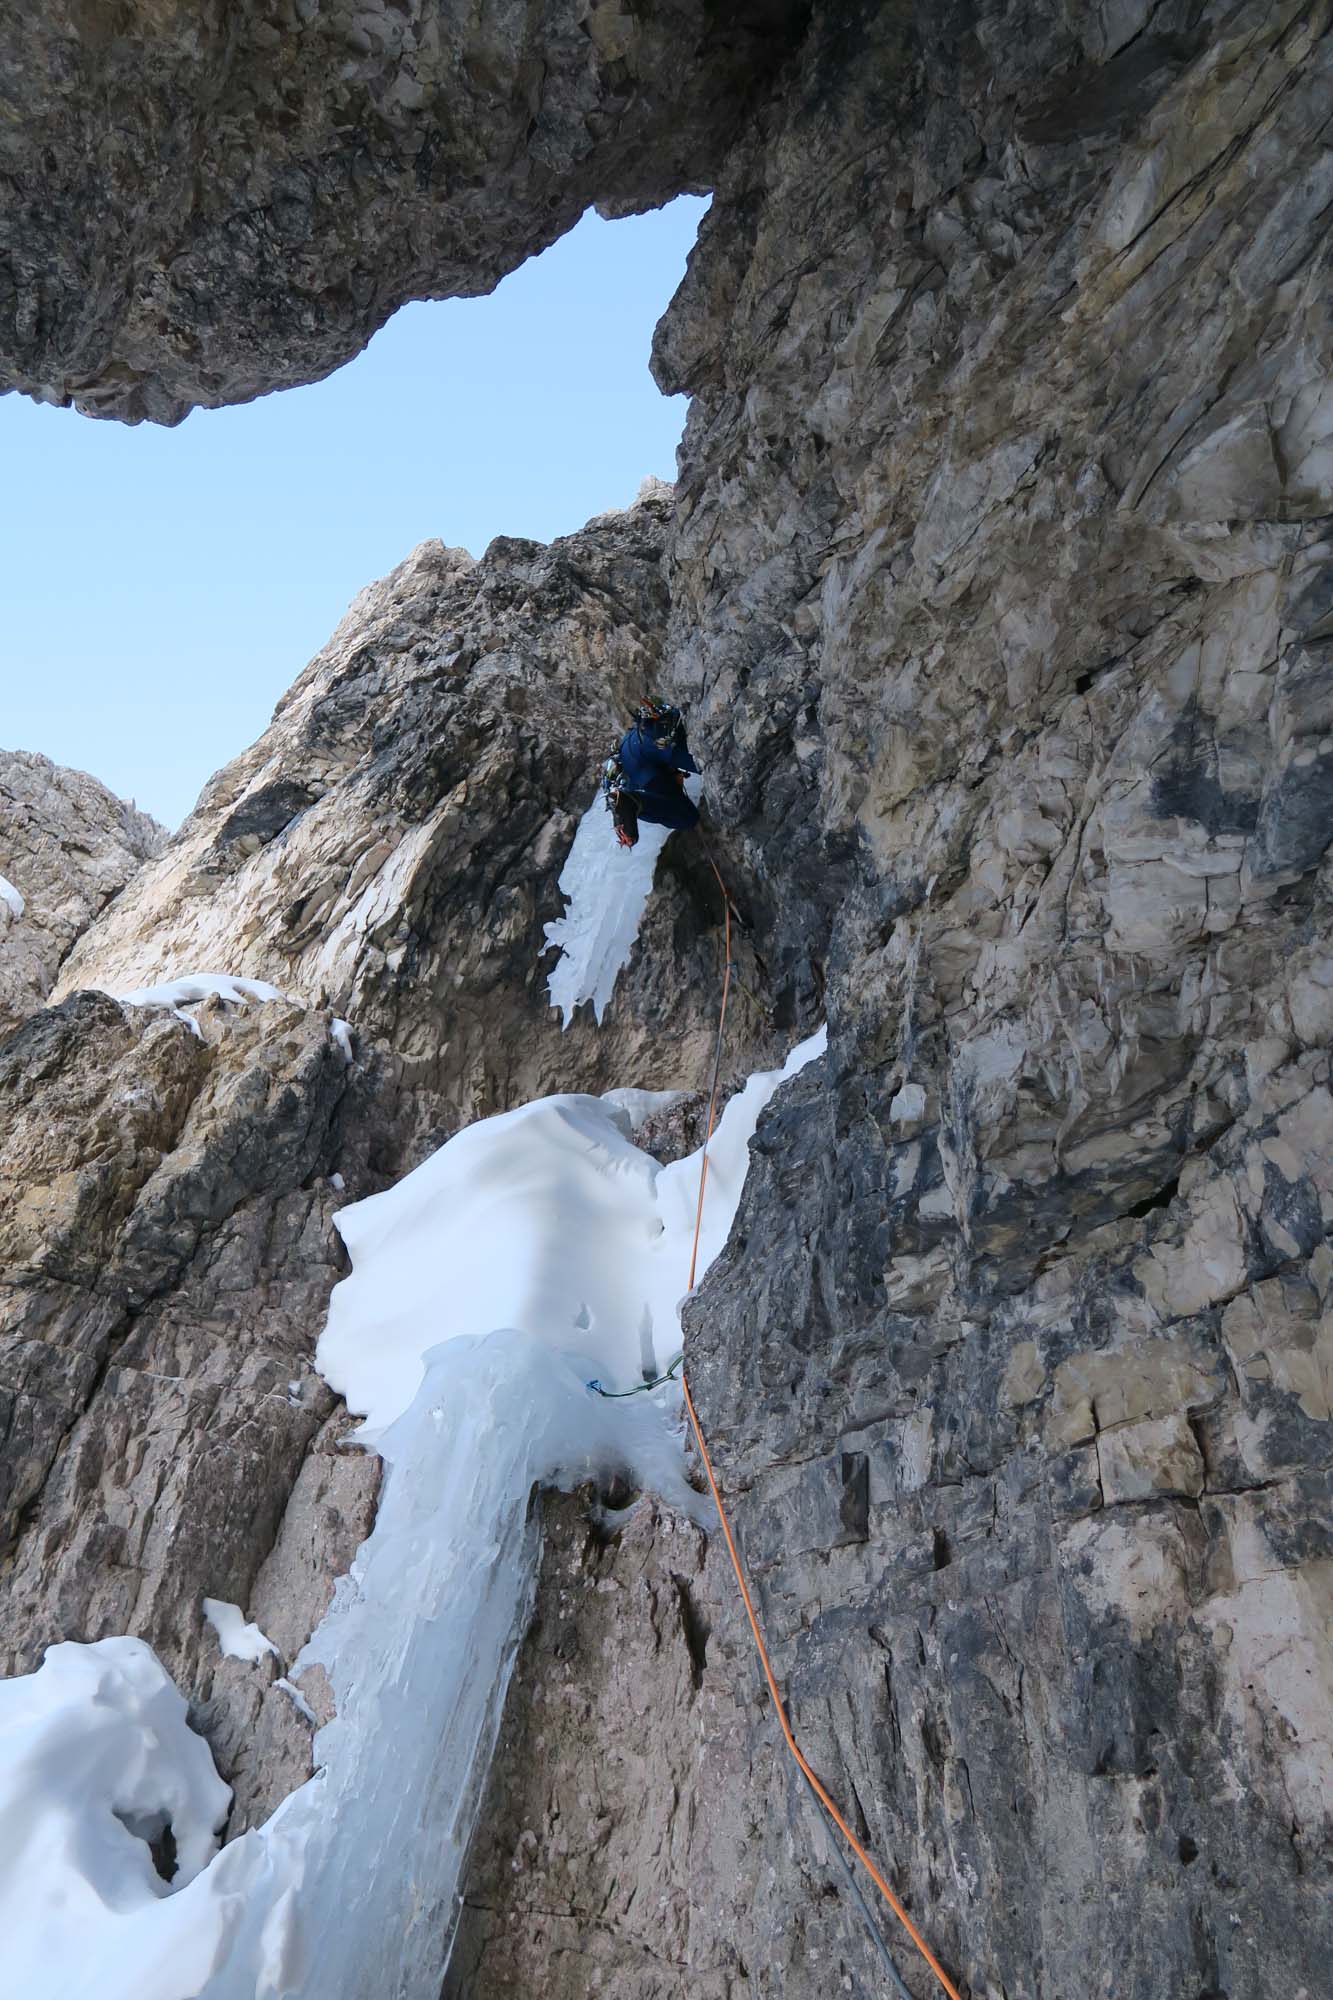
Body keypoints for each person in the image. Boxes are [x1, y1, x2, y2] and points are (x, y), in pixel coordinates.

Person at [616, 697, 700, 834]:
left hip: (637, 750)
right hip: (648, 739)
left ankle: (634, 802)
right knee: (686, 816)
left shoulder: (637, 780)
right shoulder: (649, 781)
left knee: (688, 817)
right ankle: (634, 802)